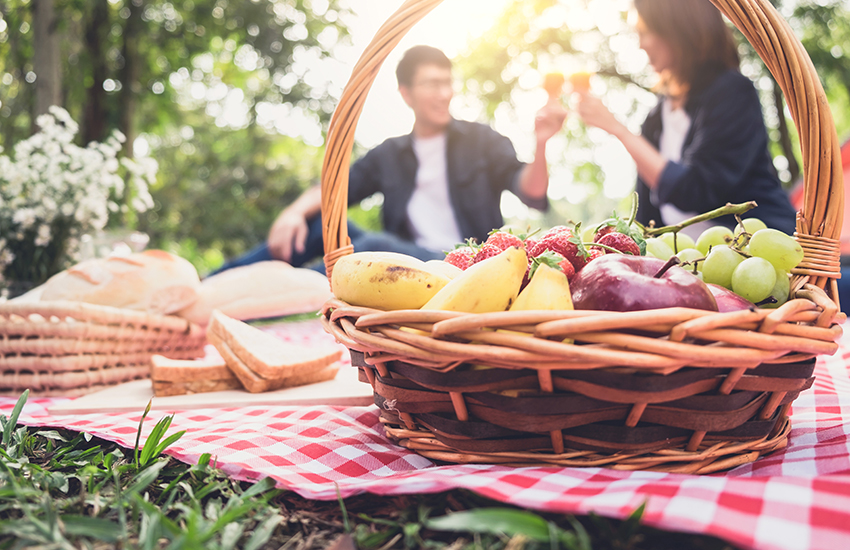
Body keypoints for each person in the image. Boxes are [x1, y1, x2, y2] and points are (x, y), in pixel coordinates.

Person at [215, 46, 567, 274]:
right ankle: (208, 285)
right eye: (432, 84)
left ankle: (282, 297)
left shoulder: (482, 141)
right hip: (404, 254)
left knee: (369, 249)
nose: (444, 93)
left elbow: (531, 192)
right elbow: (336, 189)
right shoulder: (390, 154)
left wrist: (541, 144)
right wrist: (292, 213)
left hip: (460, 265)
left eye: (447, 83)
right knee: (321, 226)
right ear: (406, 94)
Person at [575, 0, 797, 238]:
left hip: (752, 249)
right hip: (687, 262)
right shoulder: (656, 117)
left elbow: (698, 190)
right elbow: (646, 218)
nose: (641, 45)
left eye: (646, 31)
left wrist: (617, 129)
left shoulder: (732, 92)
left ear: (678, 27)